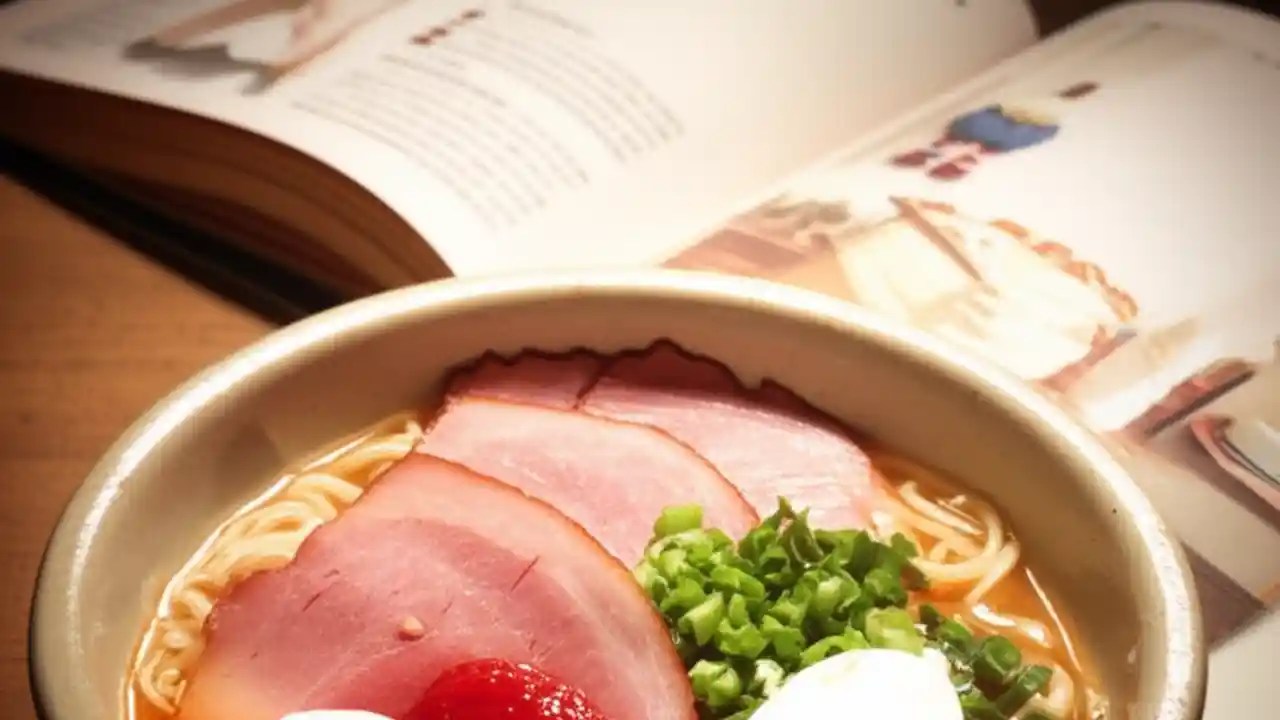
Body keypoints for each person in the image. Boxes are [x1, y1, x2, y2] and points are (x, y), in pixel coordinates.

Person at [890, 82, 1098, 181]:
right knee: (1005, 139)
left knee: (973, 130)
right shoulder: (1058, 111)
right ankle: (966, 155)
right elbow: (1042, 130)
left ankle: (942, 150)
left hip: (980, 123)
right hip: (1001, 130)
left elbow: (998, 108)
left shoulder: (1035, 101)